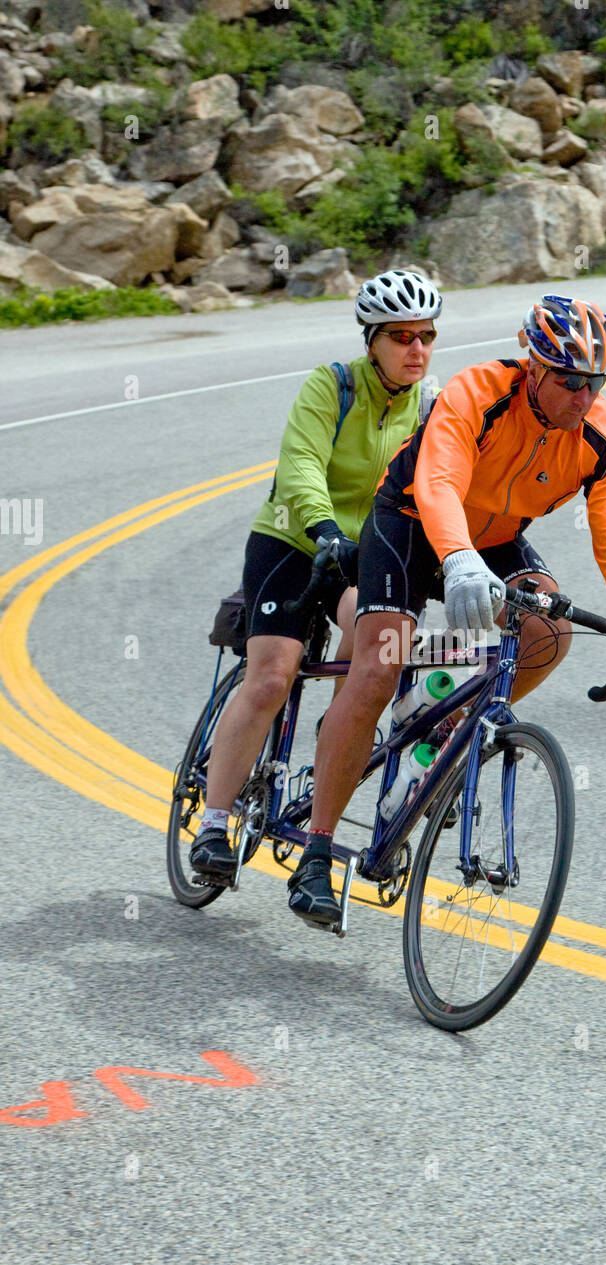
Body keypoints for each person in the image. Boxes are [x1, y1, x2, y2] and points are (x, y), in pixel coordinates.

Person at [287, 294, 606, 926]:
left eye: (596, 382)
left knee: (548, 630)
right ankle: (317, 855)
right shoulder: (478, 392)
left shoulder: (598, 433)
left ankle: (440, 734)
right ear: (535, 369)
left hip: (493, 536)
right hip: (410, 520)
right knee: (380, 665)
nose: (584, 396)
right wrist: (458, 557)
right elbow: (437, 483)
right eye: (570, 380)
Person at [189, 268, 443, 879]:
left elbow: (439, 487)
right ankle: (216, 822)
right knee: (273, 675)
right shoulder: (331, 386)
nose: (416, 349)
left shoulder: (433, 405)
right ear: (371, 341)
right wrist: (324, 529)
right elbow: (300, 462)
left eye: (426, 336)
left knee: (373, 655)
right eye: (401, 336)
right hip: (293, 538)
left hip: (369, 552)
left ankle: (335, 747)